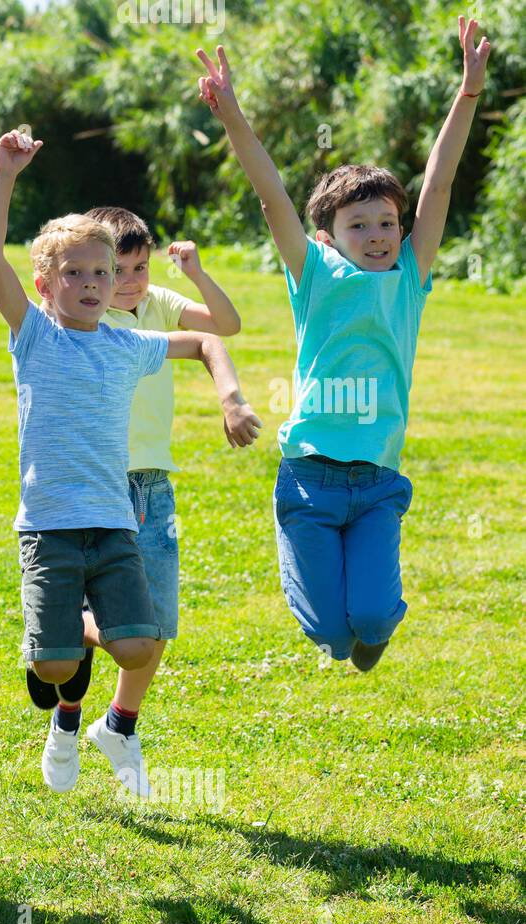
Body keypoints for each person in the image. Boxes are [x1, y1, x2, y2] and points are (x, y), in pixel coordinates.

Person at [196, 15, 492, 671]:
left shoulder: (410, 277)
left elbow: (439, 181)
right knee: (328, 633)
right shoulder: (316, 276)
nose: (379, 234)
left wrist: (467, 93)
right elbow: (271, 194)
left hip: (378, 478)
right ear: (329, 233)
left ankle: (372, 631)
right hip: (308, 478)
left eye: (387, 221)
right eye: (360, 225)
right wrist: (232, 116)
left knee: (376, 617)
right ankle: (337, 633)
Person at [0, 128, 257, 794]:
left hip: (114, 522)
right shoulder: (36, 336)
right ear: (45, 283)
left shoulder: (125, 344)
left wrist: (232, 398)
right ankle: (59, 632)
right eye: (75, 273)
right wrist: (4, 175)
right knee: (52, 670)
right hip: (48, 526)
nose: (93, 283)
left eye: (102, 272)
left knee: (138, 644)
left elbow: (206, 343)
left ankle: (87, 653)